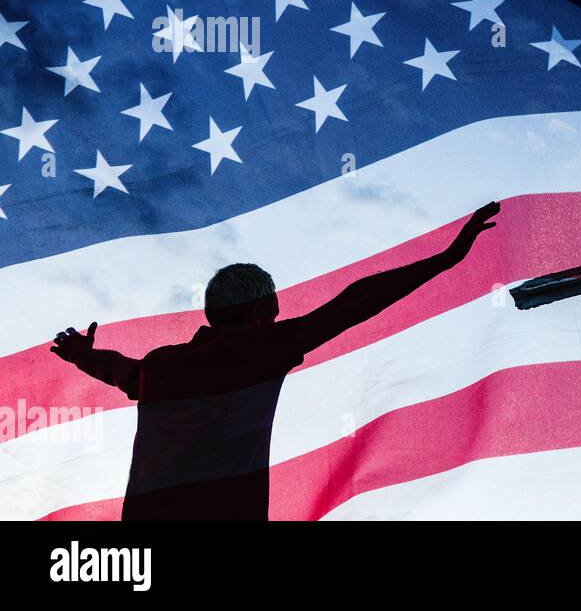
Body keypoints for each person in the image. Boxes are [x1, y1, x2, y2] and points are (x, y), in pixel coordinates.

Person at [50, 201, 501, 520]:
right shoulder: (258, 351)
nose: (278, 319)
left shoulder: (160, 366)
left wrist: (80, 354)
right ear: (258, 312)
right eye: (275, 312)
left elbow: (117, 371)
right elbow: (355, 303)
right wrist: (443, 260)